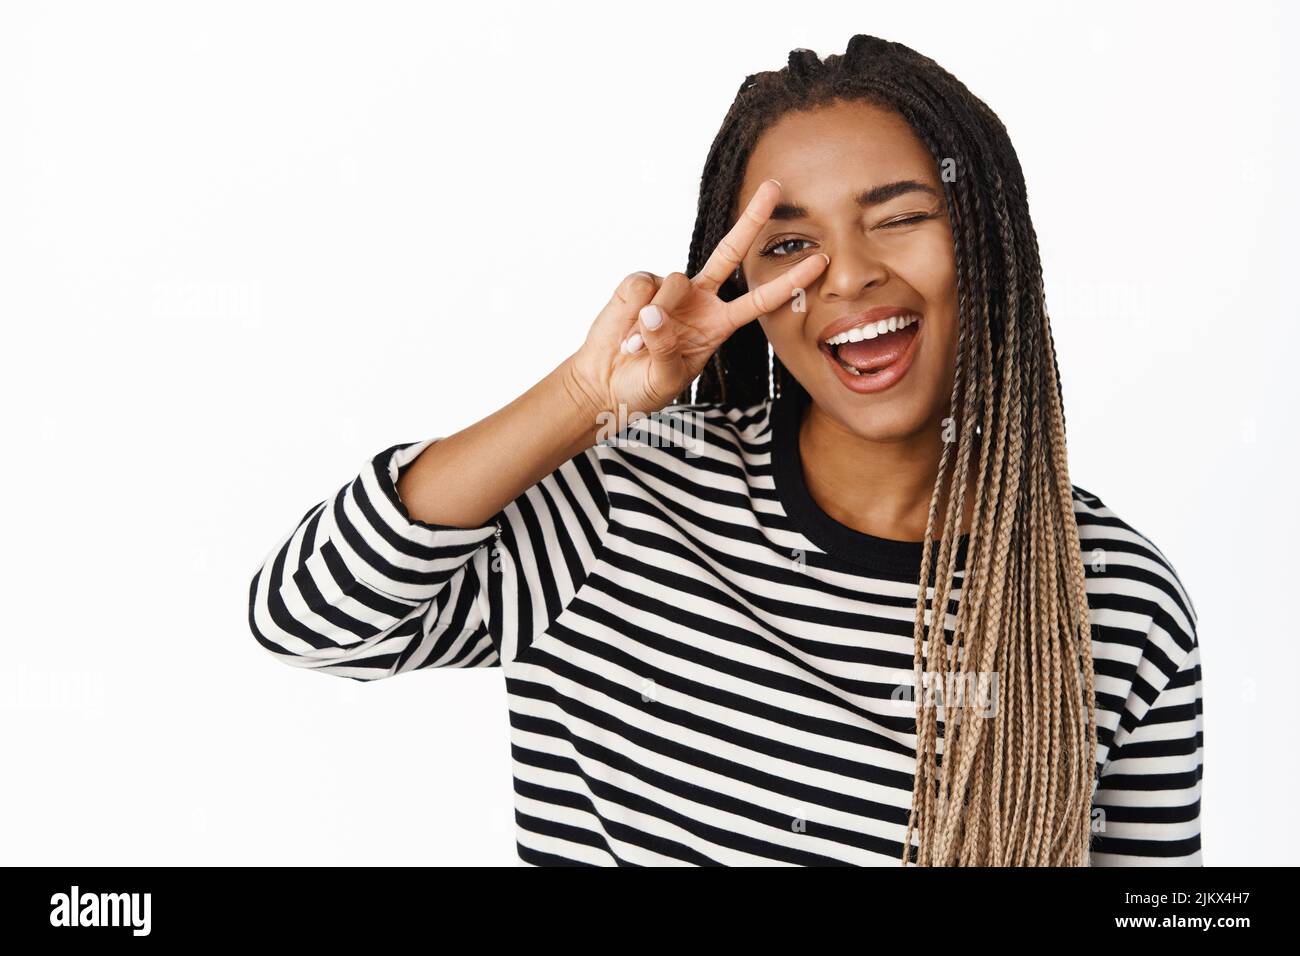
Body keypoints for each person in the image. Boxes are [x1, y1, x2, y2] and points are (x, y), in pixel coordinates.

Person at [247, 34, 1202, 866]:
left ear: (988, 241)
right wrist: (584, 399)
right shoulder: (620, 498)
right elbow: (305, 621)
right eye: (789, 246)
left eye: (902, 217)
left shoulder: (1116, 601)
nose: (852, 276)